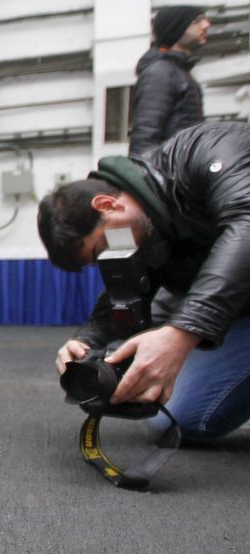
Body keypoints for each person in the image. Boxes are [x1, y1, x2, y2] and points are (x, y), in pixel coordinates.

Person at [37, 121, 250, 443]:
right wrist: (87, 342)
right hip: (239, 312)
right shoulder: (137, 231)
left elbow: (246, 226)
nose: (109, 258)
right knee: (177, 420)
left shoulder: (208, 149)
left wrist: (182, 333)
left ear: (107, 205)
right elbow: (124, 294)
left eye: (100, 249)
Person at [129, 6, 210, 158]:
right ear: (176, 29)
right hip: (171, 174)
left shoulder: (179, 72)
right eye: (197, 21)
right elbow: (143, 138)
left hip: (182, 171)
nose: (206, 24)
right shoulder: (160, 73)